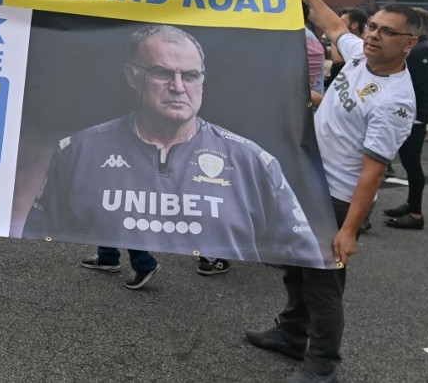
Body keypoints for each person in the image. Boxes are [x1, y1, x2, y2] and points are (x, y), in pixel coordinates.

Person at [23, 24, 322, 287]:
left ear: (203, 80)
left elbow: (304, 250)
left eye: (190, 75)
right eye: (162, 72)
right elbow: (37, 230)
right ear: (131, 75)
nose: (178, 87)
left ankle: (151, 261)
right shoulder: (75, 151)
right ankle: (112, 257)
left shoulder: (254, 161)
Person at [246, 0, 416, 383]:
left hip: (335, 198)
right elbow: (334, 26)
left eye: (387, 32)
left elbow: (373, 172)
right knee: (294, 266)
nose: (374, 35)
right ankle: (292, 333)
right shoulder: (360, 54)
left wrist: (350, 230)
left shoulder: (395, 101)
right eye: (373, 26)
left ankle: (322, 366)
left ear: (409, 42)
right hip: (307, 179)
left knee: (324, 285)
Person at [383, 8, 428, 230]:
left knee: (412, 163)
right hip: (409, 114)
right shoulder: (418, 48)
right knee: (408, 162)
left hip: (413, 116)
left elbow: (419, 87)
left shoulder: (423, 50)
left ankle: (416, 213)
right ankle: (411, 204)